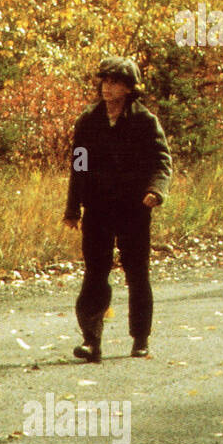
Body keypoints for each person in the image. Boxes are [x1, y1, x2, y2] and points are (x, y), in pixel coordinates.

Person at [63, 56, 172, 362]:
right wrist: (73, 208)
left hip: (133, 209)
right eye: (104, 81)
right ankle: (91, 340)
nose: (107, 88)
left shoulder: (144, 121)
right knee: (95, 274)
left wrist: (156, 191)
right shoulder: (88, 121)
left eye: (114, 82)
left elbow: (162, 161)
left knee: (137, 274)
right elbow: (79, 167)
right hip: (98, 209)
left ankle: (140, 338)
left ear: (128, 88)